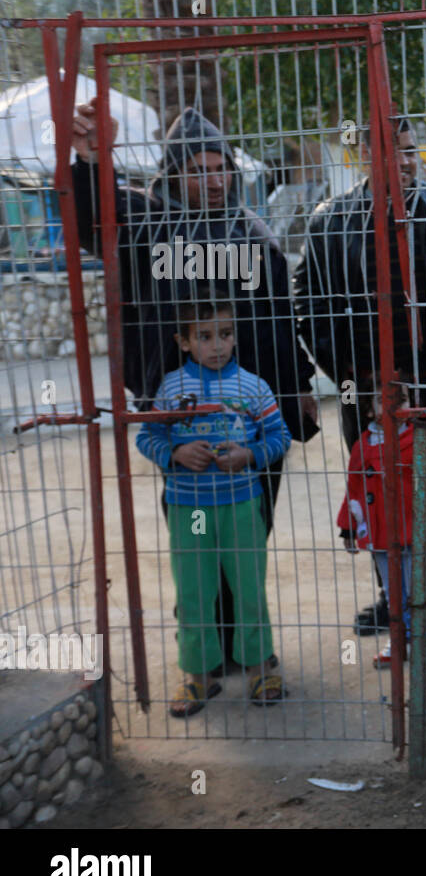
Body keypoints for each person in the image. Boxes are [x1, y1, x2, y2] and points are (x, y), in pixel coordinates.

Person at [71, 102, 319, 673]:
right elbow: (94, 220)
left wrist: (299, 387)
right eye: (197, 169)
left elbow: (281, 323)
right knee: (195, 540)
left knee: (247, 537)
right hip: (179, 420)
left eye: (219, 167)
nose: (211, 180)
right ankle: (203, 648)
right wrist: (92, 160)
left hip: (251, 419)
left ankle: (244, 644)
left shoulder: (253, 238)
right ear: (172, 175)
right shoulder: (146, 227)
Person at [295, 117, 426, 629]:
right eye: (391, 152)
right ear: (363, 156)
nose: (405, 161)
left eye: (410, 150)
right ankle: (393, 598)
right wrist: (347, 373)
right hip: (365, 389)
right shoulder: (331, 221)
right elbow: (306, 305)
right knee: (379, 489)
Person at [135, 291, 290, 717]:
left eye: (225, 334)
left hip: (242, 506)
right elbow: (146, 436)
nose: (218, 345)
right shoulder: (170, 389)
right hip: (194, 513)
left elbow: (280, 437)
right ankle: (199, 677)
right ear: (183, 342)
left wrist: (250, 455)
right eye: (204, 336)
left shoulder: (254, 387)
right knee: (195, 592)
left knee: (249, 590)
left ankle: (261, 669)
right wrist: (175, 454)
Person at [337, 375, 426, 675]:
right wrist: (349, 527)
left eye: (399, 399)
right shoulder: (362, 446)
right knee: (393, 594)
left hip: (416, 535)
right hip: (380, 536)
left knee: (421, 591)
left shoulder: (419, 441)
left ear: (410, 404)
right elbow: (354, 490)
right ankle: (400, 642)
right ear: (368, 409)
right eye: (383, 400)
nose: (392, 406)